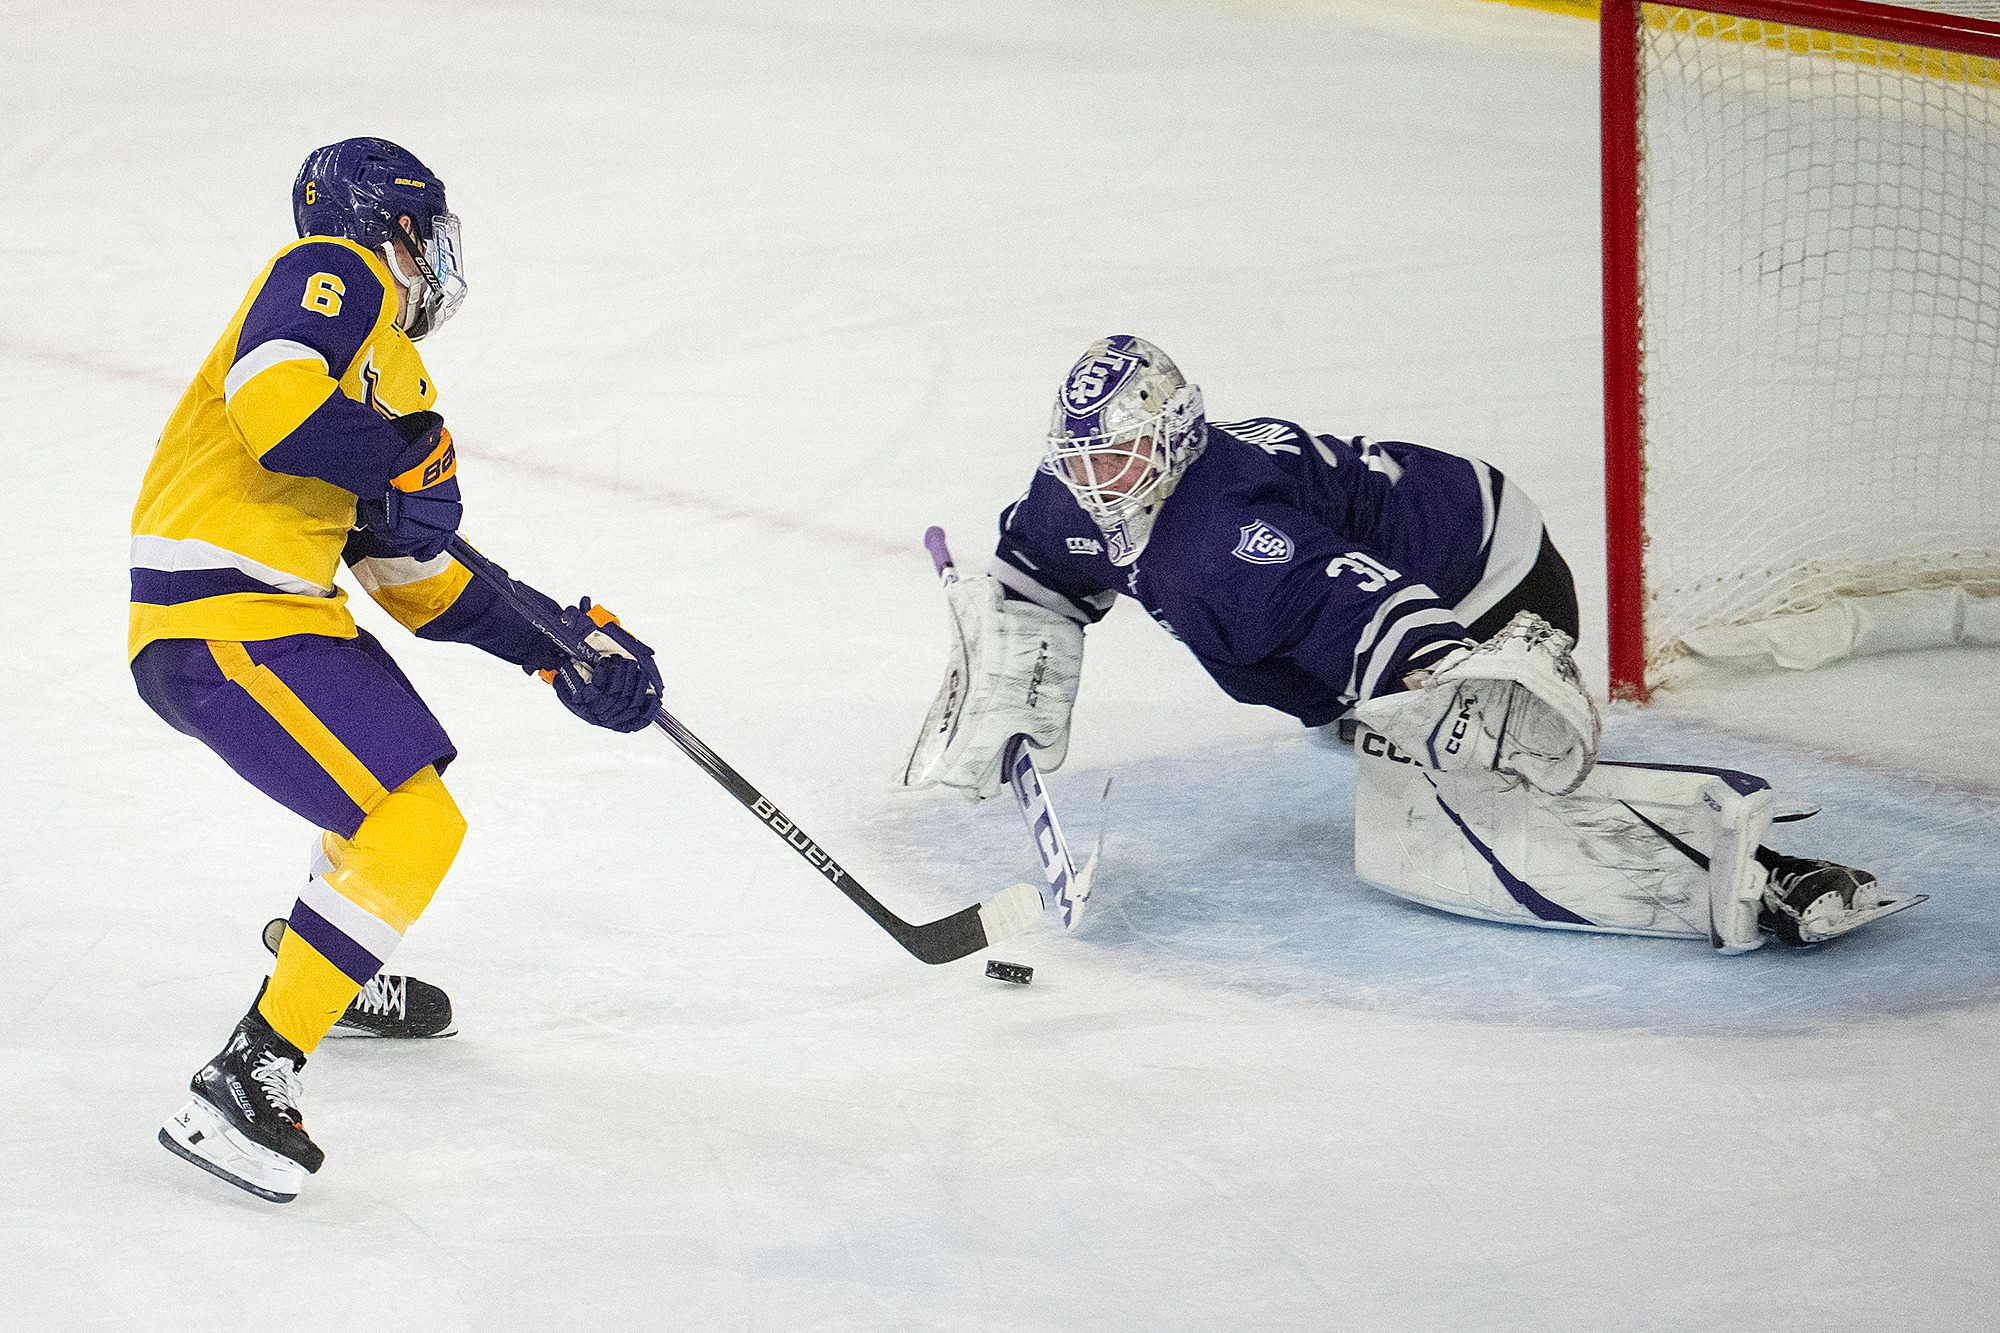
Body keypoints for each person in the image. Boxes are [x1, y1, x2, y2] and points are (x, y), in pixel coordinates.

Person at [903, 334, 1921, 954]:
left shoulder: (1227, 541)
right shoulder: (1081, 501)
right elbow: (1041, 571)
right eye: (1081, 453)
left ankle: (1763, 871)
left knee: (1441, 821)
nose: (1097, 476)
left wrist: (1449, 696)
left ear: (1172, 436)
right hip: (1420, 542)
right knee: (1367, 726)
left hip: (1487, 581)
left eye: (1119, 451)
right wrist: (1013, 681)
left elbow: (1372, 606)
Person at [132, 138, 664, 1204]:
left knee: (399, 803)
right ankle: (244, 1077)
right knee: (414, 825)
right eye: (432, 231)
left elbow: (414, 578)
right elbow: (273, 405)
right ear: (402, 226)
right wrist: (397, 456)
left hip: (281, 612)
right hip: (226, 610)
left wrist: (557, 648)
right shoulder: (335, 273)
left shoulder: (400, 373)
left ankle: (321, 971)